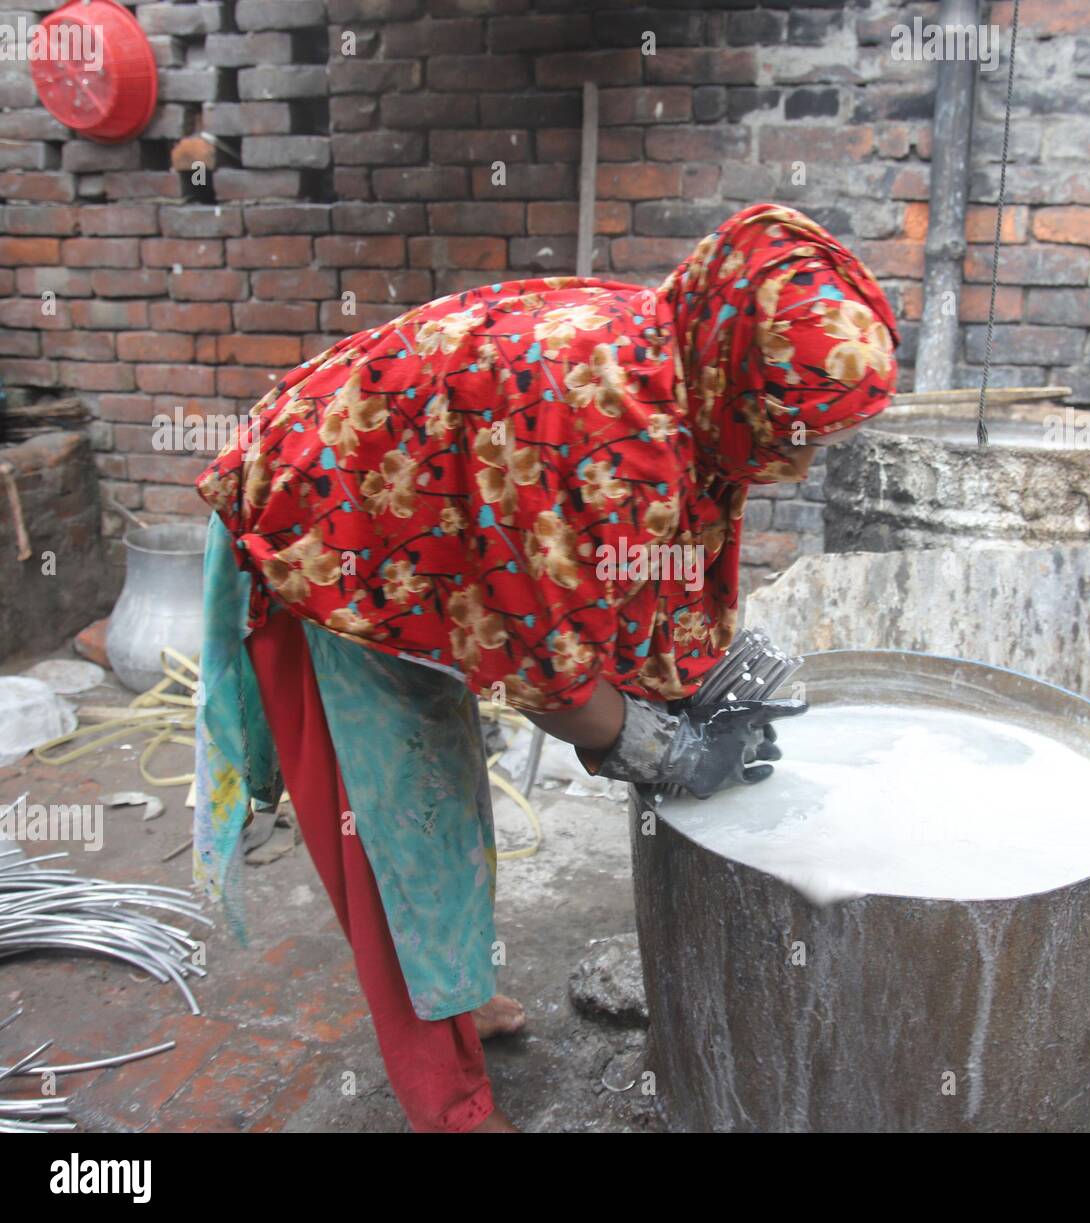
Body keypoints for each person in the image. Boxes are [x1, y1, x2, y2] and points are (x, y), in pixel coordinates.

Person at [192, 202, 899, 1132]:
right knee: (398, 827)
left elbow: (641, 570)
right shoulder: (605, 424)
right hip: (334, 537)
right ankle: (446, 1100)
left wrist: (689, 683)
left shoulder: (685, 358)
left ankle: (459, 988)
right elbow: (553, 679)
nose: (801, 465)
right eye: (795, 434)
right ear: (745, 385)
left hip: (420, 535)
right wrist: (665, 750)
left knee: (450, 800)